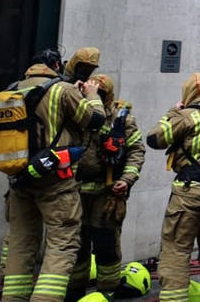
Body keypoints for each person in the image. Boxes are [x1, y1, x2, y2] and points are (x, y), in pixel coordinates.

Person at [1, 51, 106, 302]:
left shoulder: (13, 89)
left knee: (20, 245)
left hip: (20, 180)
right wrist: (91, 95)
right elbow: (95, 120)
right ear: (57, 65)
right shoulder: (61, 90)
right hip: (56, 182)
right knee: (62, 245)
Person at [146, 73, 200, 302]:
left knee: (176, 250)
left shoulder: (188, 116)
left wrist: (173, 111)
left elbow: (155, 139)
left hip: (190, 193)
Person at [66, 75, 145, 301]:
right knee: (76, 244)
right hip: (76, 190)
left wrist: (127, 179)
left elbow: (136, 151)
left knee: (106, 243)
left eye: (100, 94)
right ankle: (75, 287)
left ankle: (108, 289)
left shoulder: (122, 118)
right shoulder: (78, 112)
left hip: (107, 192)